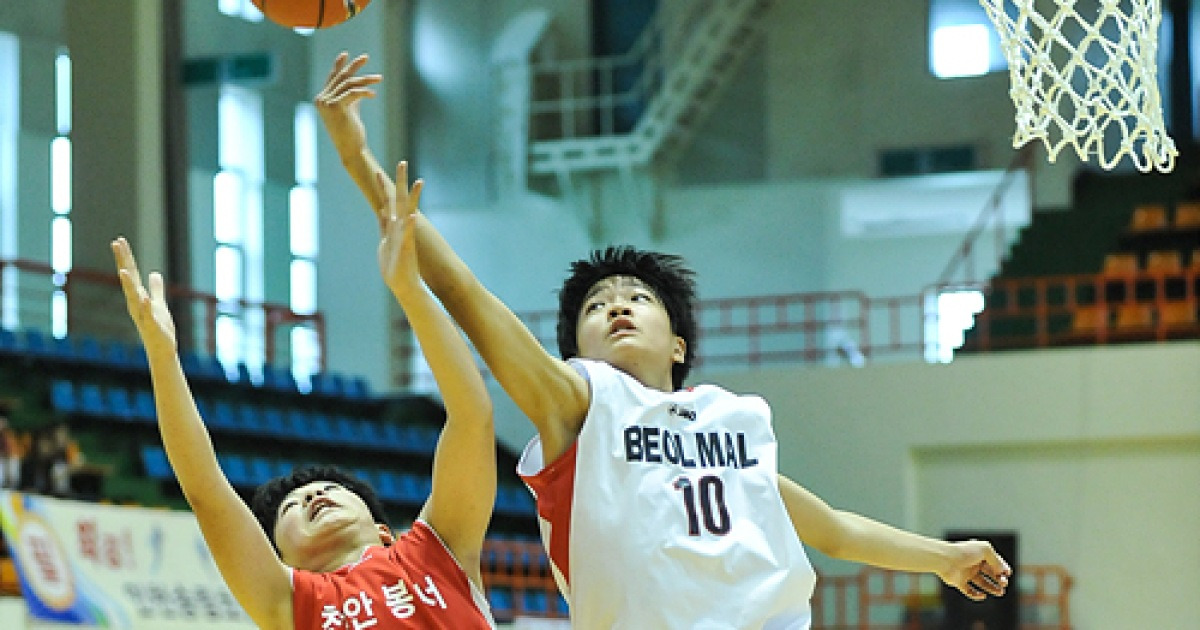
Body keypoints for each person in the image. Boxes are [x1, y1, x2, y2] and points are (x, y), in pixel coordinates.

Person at [317, 51, 1011, 628]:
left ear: (678, 344)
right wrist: (360, 161)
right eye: (597, 305)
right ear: (576, 350)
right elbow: (465, 294)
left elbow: (829, 527)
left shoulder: (732, 421)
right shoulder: (580, 407)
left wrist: (944, 559)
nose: (617, 306)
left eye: (638, 299)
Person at [110, 174, 497, 629]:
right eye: (292, 508)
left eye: (332, 491)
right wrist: (163, 358)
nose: (314, 495)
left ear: (382, 531)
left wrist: (409, 289)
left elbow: (472, 416)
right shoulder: (291, 603)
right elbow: (206, 490)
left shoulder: (438, 551)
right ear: (282, 557)